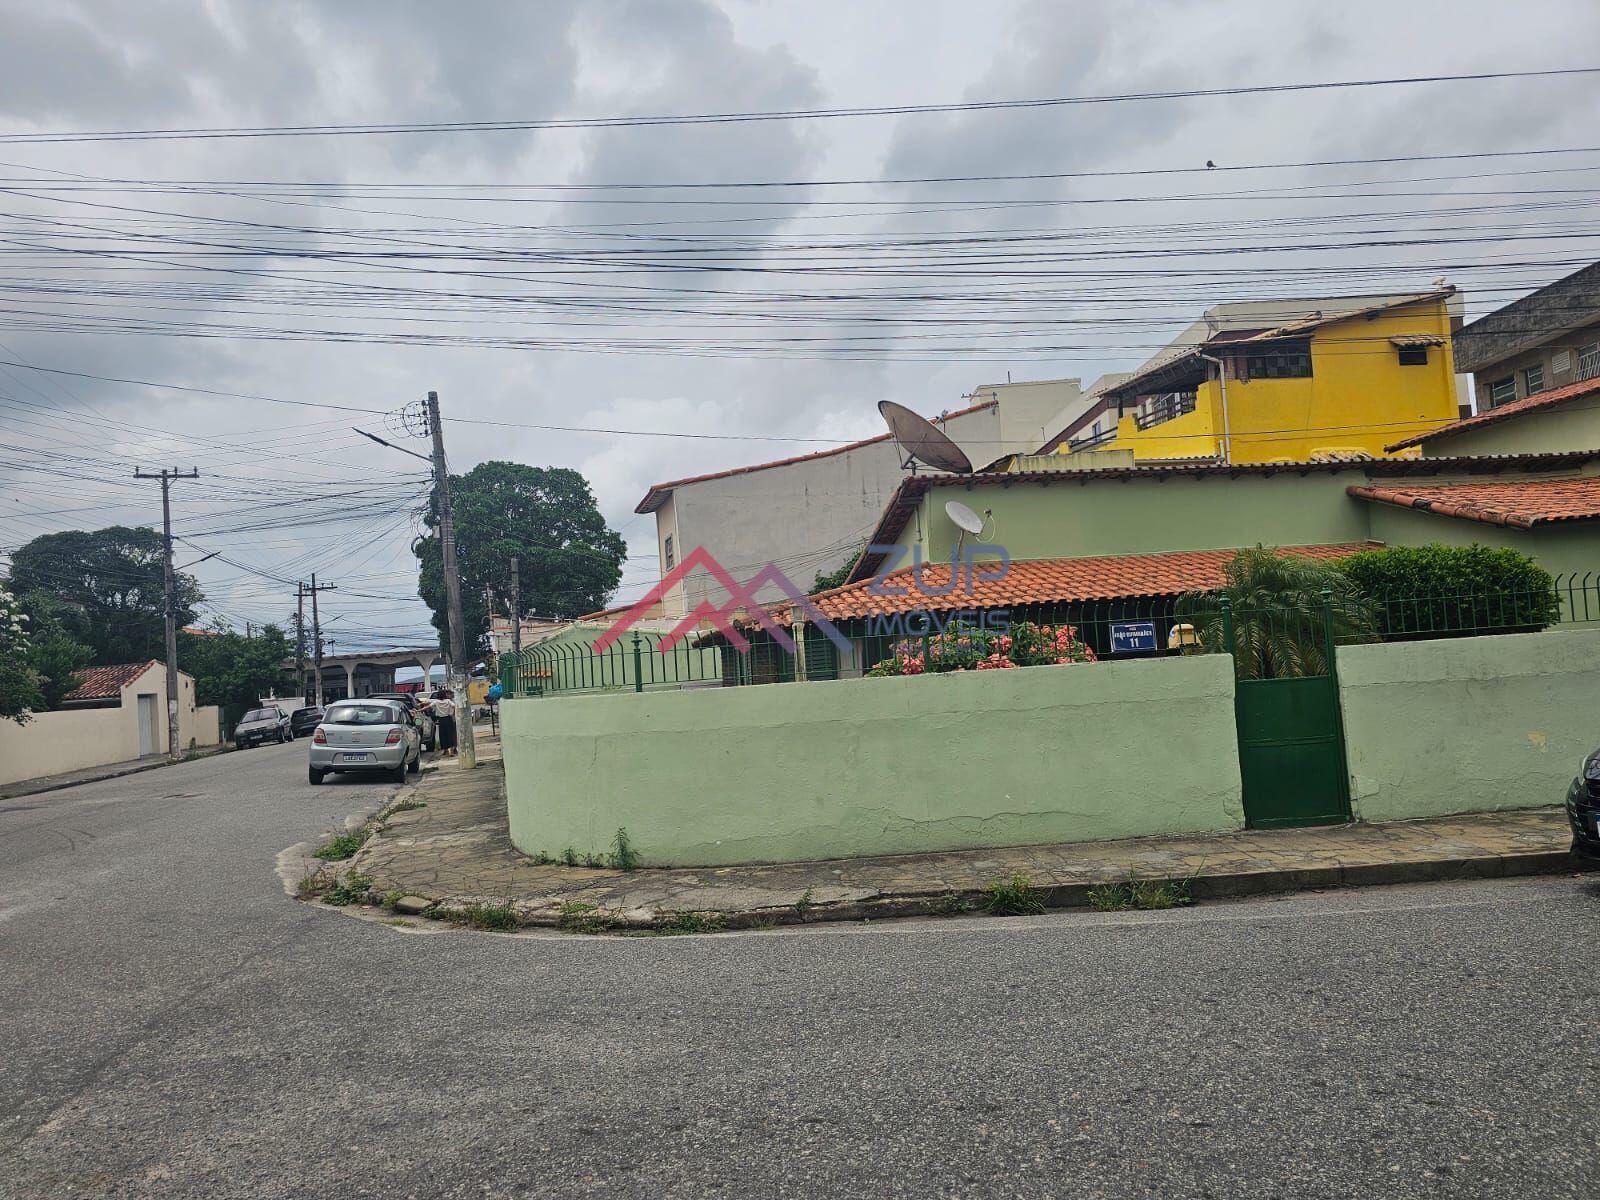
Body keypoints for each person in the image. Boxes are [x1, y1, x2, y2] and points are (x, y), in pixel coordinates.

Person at [430, 687, 457, 757]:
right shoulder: (448, 701)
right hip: (449, 719)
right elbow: (454, 706)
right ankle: (451, 750)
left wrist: (419, 709)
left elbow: (429, 706)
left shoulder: (436, 702)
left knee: (443, 735)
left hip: (441, 720)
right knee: (450, 735)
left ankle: (445, 750)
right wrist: (452, 713)